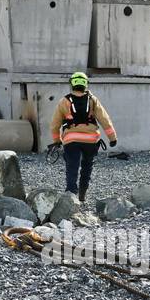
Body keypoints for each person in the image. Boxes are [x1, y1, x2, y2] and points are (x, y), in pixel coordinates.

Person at [49, 71, 117, 202]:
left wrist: (57, 141)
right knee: (87, 166)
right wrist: (112, 138)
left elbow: (54, 124)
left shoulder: (64, 101)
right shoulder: (93, 100)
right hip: (91, 140)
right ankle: (82, 196)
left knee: (72, 167)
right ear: (86, 84)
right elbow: (104, 119)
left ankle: (70, 197)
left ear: (72, 84)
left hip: (71, 140)